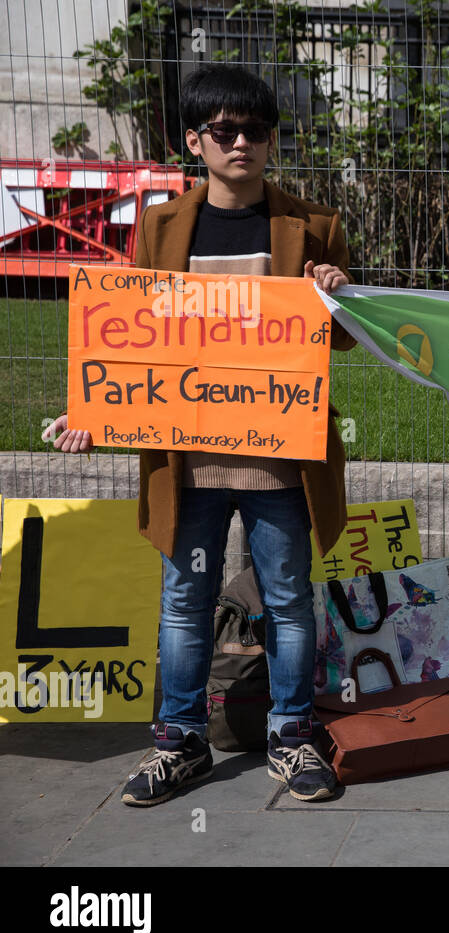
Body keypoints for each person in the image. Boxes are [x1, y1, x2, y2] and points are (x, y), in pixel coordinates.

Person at [45, 64, 357, 806]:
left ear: (273, 140)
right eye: (224, 130)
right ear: (195, 141)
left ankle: (291, 733)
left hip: (281, 457)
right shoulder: (160, 225)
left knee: (287, 599)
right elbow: (130, 336)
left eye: (254, 130)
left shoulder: (313, 225)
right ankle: (181, 741)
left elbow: (343, 343)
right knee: (185, 602)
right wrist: (93, 411)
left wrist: (339, 296)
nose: (240, 141)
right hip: (188, 461)